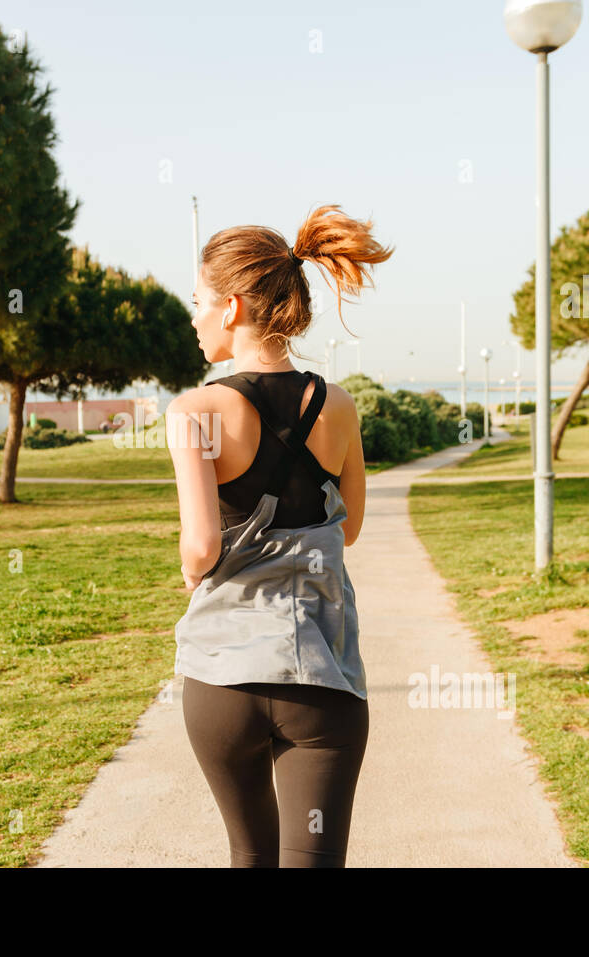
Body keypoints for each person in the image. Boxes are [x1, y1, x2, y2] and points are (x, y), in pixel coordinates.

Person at [165, 204, 393, 867]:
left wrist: (191, 566)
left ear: (232, 307)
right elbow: (348, 527)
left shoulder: (195, 411)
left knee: (250, 853)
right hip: (322, 681)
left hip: (222, 681)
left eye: (198, 302)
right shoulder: (340, 404)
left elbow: (202, 544)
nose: (194, 317)